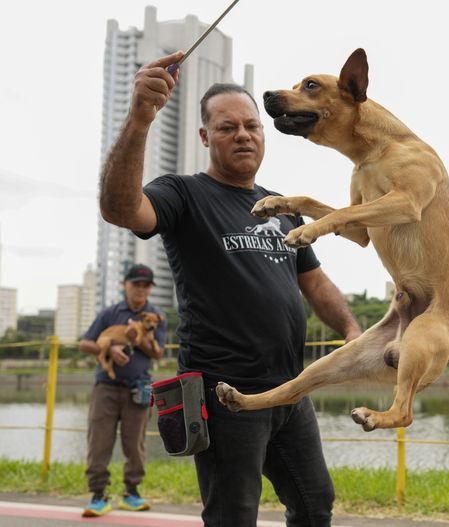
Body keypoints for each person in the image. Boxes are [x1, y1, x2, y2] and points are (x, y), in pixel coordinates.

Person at [99, 51, 362, 527]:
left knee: (314, 502)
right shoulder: (183, 194)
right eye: (226, 127)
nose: (242, 134)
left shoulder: (280, 205)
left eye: (251, 125)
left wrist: (351, 331)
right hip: (224, 396)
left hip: (290, 390)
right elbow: (122, 210)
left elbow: (315, 282)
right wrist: (139, 123)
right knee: (232, 515)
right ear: (205, 136)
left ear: (264, 133)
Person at [79, 263, 167, 517]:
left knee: (135, 444)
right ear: (124, 285)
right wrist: (109, 349)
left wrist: (137, 338)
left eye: (145, 285)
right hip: (106, 388)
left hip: (138, 388)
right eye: (135, 284)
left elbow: (158, 353)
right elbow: (86, 343)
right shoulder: (109, 313)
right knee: (99, 442)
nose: (140, 289)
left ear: (150, 289)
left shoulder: (156, 316)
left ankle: (132, 492)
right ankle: (98, 494)